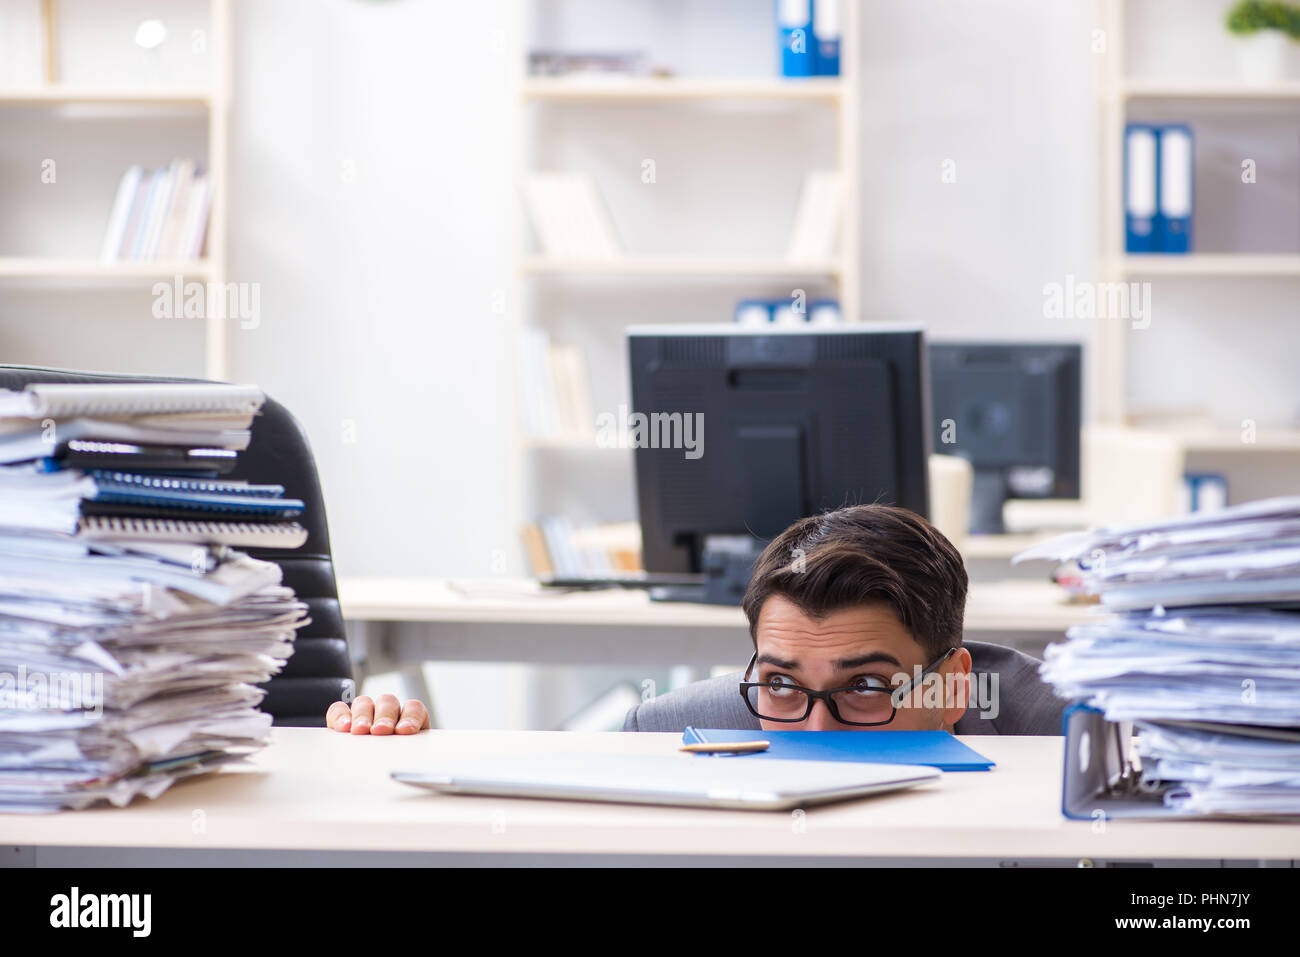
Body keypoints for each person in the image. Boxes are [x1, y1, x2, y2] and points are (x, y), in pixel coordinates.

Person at [326, 504, 1062, 735]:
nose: (814, 729)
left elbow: (1171, 908)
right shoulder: (675, 732)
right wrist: (399, 752)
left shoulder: (1075, 734)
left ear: (952, 685)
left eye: (866, 685)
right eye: (780, 683)